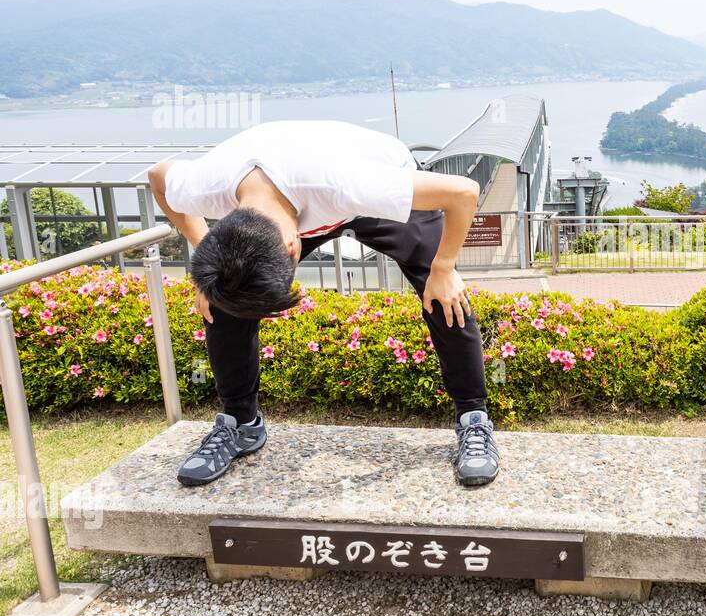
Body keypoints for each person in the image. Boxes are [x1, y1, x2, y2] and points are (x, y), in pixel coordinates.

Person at [147, 120, 499, 488]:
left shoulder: (352, 183)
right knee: (224, 297)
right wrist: (209, 257)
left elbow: (463, 192)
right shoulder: (207, 185)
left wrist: (444, 268)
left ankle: (473, 418)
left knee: (442, 293)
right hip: (293, 197)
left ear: (292, 246)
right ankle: (242, 424)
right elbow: (158, 176)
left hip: (360, 191)